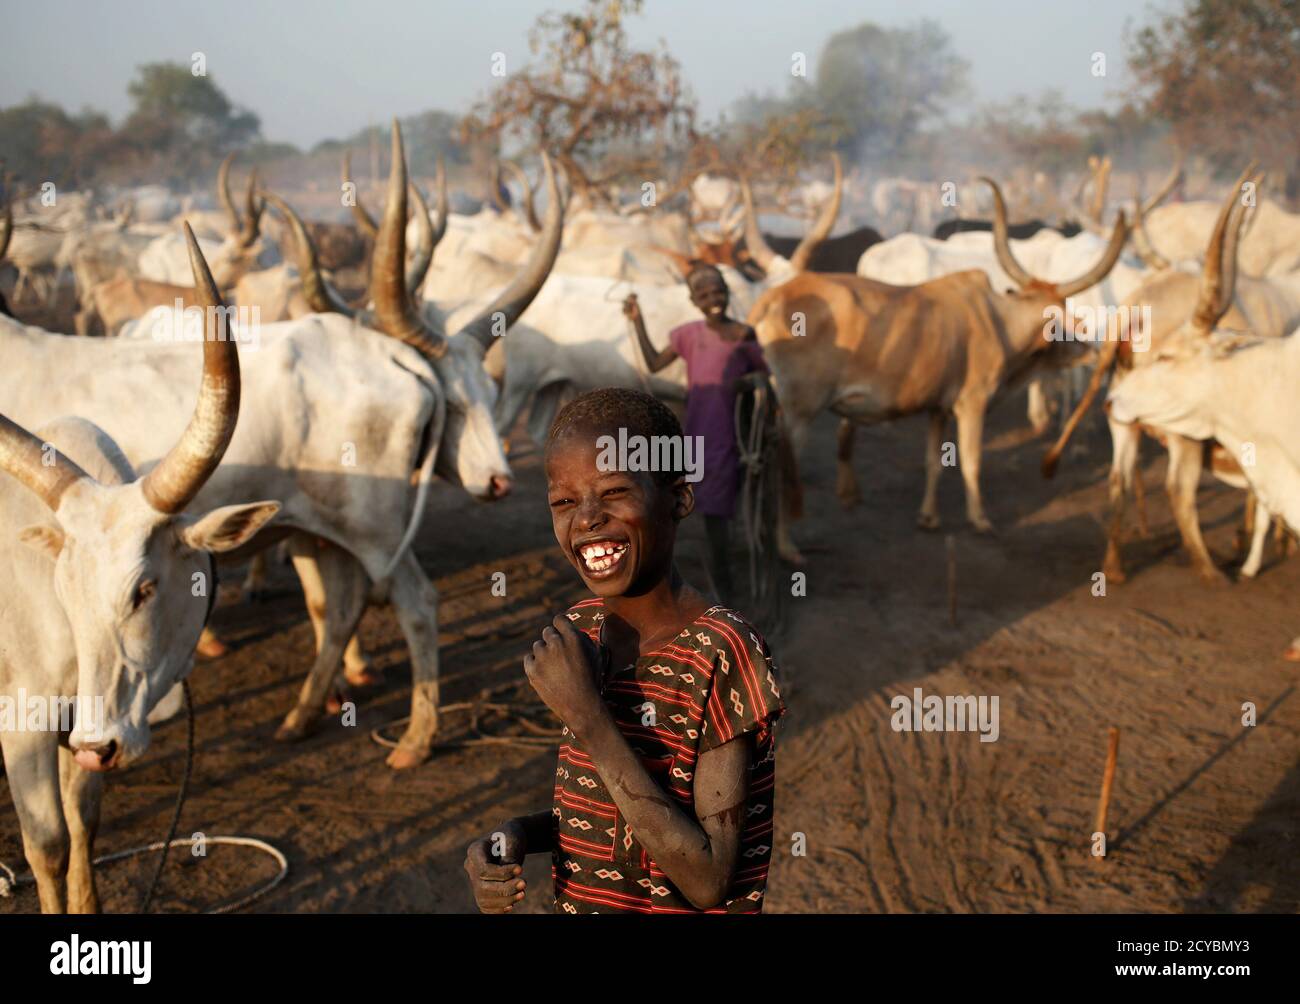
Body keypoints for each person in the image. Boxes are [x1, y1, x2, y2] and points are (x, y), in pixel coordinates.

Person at [463, 388, 784, 914]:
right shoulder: (582, 632)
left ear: (679, 498)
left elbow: (708, 881)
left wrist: (588, 715)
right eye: (564, 502)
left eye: (613, 492)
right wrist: (516, 835)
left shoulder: (723, 652)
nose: (586, 518)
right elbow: (610, 811)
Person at [621, 262, 767, 603]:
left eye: (718, 291)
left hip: (731, 438)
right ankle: (677, 586)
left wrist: (744, 382)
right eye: (704, 294)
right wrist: (637, 320)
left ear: (728, 293)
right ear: (693, 299)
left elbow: (763, 380)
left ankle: (725, 598)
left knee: (717, 515)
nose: (713, 298)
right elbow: (655, 362)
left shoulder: (745, 335)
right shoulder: (688, 334)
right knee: (682, 505)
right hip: (695, 436)